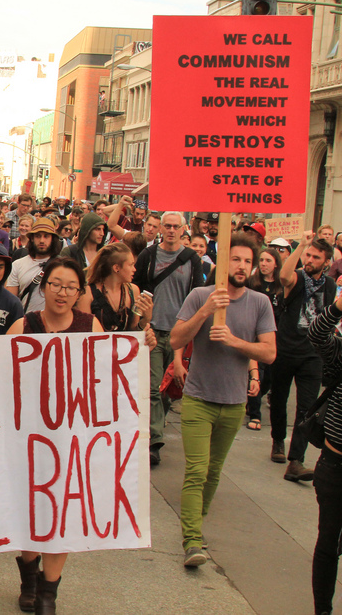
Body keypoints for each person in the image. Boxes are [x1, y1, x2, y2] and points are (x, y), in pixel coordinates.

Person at [170, 235, 276, 568]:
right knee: (196, 471)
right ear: (222, 263)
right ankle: (191, 540)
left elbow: (270, 352)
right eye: (236, 259)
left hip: (233, 403)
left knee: (213, 472)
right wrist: (205, 311)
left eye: (247, 261)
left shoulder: (260, 303)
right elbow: (176, 338)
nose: (242, 266)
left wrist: (234, 341)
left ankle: (196, 521)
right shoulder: (202, 295)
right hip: (199, 398)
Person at [7, 257, 103, 614]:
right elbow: (0, 378)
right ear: (44, 286)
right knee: (32, 510)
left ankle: (49, 592)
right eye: (56, 285)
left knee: (62, 513)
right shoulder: (22, 326)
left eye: (71, 287)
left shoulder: (90, 326)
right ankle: (29, 580)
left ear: (80, 292)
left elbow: (106, 375)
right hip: (29, 439)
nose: (62, 293)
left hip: (70, 440)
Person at [133, 211, 204, 467]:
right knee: (152, 387)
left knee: (166, 389)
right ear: (161, 227)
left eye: (176, 226)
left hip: (177, 333)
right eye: (168, 226)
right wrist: (140, 323)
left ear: (184, 229)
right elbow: (136, 288)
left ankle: (155, 427)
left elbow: (196, 296)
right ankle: (155, 441)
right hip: (151, 330)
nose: (172, 230)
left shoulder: (191, 259)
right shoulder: (148, 256)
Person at [270, 231, 337, 481]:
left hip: (312, 355)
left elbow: (330, 318)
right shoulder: (297, 277)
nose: (310, 260)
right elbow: (284, 276)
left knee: (307, 408)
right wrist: (301, 246)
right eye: (308, 255)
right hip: (285, 349)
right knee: (278, 398)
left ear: (327, 262)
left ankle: (296, 461)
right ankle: (277, 440)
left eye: (315, 257)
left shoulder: (329, 285)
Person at [304, 289, 342, 614]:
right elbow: (316, 333)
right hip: (335, 465)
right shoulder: (340, 353)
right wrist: (339, 305)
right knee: (328, 541)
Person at [245, 247, 283, 430]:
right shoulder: (253, 283)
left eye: (268, 260)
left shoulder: (281, 286)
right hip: (254, 334)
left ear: (276, 263)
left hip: (274, 335)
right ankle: (255, 414)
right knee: (256, 373)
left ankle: (255, 397)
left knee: (268, 377)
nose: (264, 264)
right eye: (261, 260)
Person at [7, 218, 63, 314]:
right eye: (38, 236)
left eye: (46, 236)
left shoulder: (62, 266)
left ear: (52, 239)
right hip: (26, 322)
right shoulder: (17, 265)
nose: (42, 240)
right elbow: (10, 302)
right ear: (32, 238)